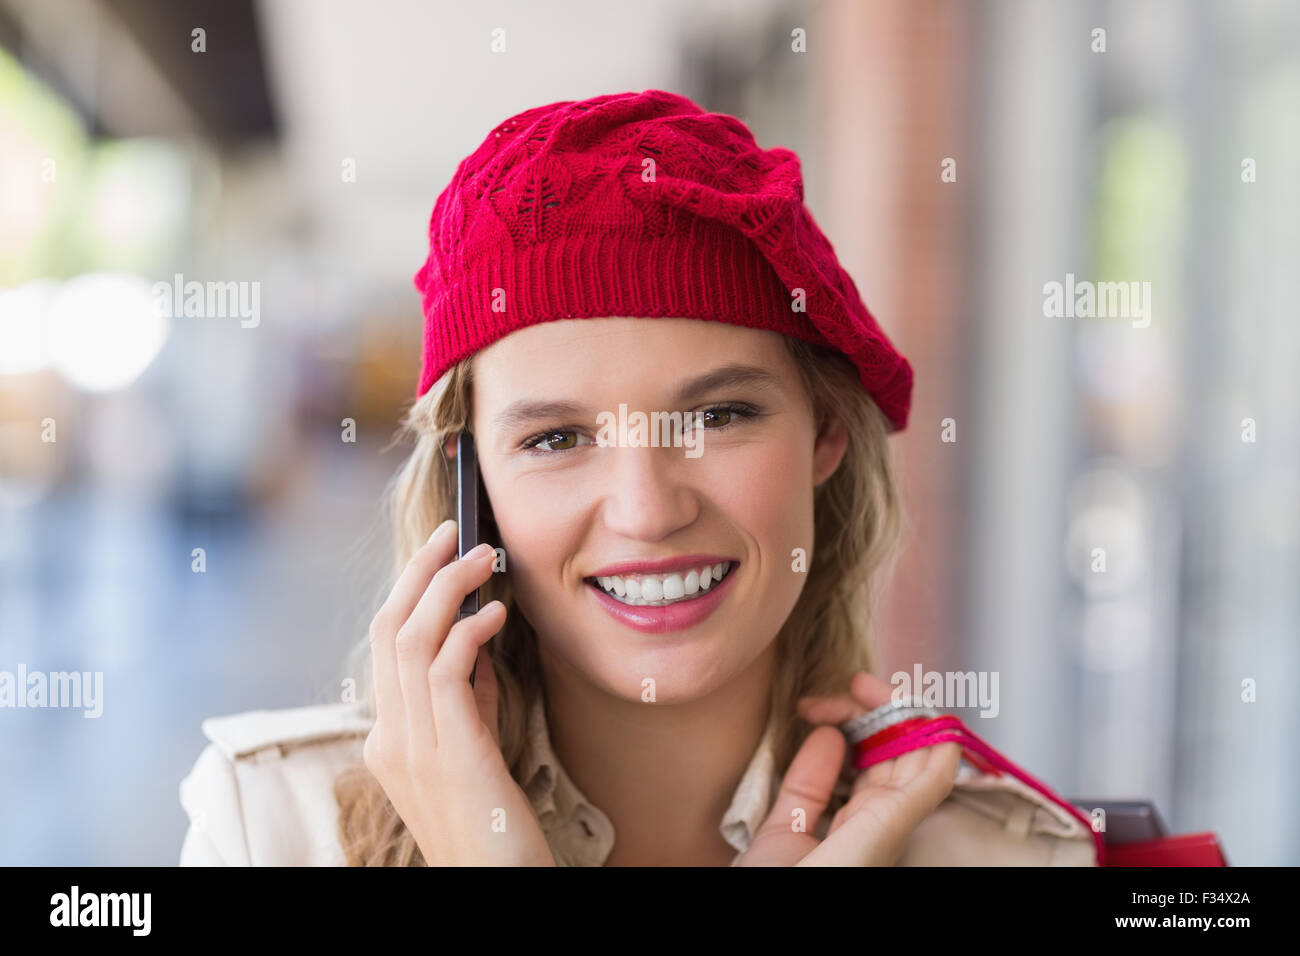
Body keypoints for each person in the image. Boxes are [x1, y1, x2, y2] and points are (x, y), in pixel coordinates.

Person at [178, 89, 1100, 867]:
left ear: (826, 435)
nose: (647, 510)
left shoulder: (1013, 854)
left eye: (718, 417)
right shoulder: (268, 829)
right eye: (555, 438)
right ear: (473, 487)